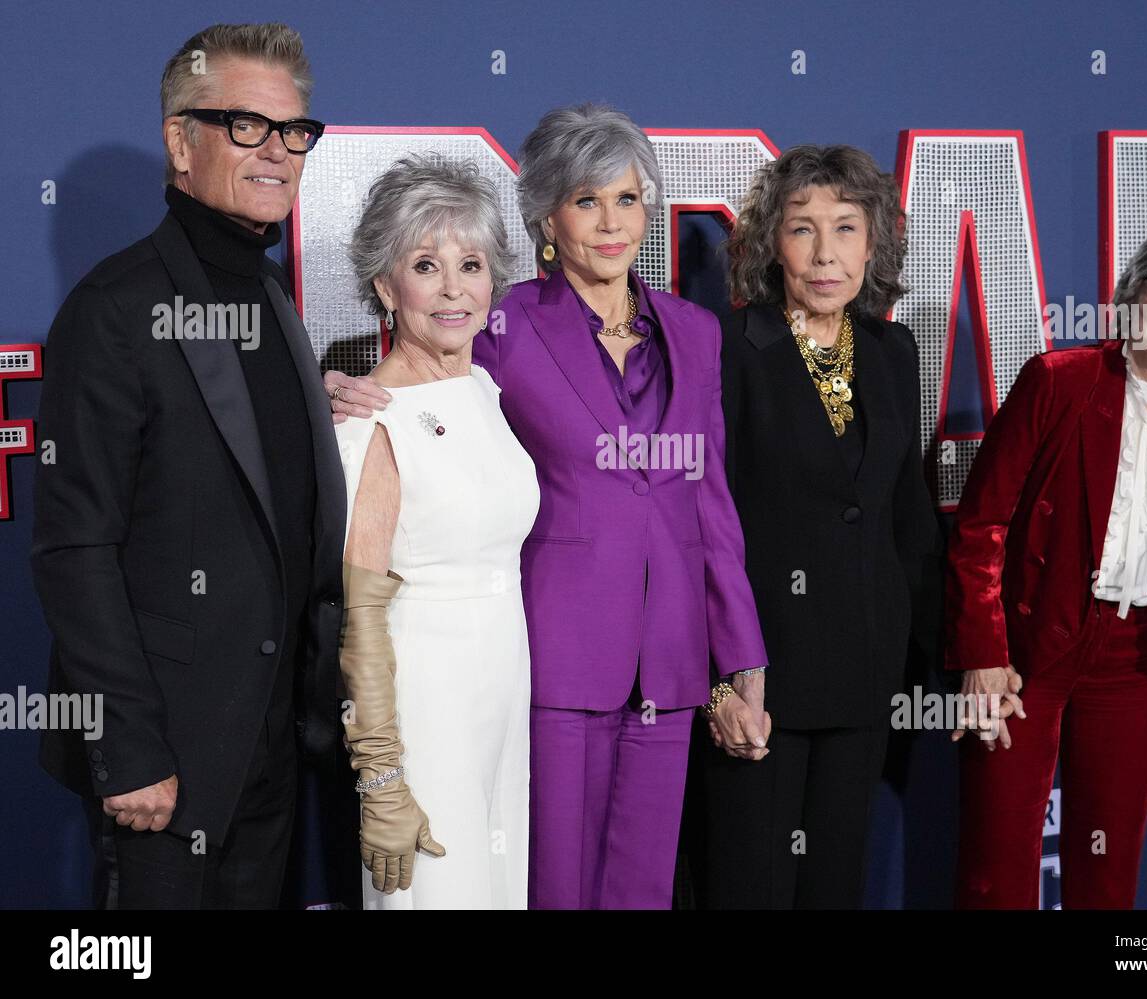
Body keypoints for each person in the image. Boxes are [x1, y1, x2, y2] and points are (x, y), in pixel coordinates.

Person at [325, 104, 769, 908]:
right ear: (547, 220)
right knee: (547, 885)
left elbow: (712, 505)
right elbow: (420, 363)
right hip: (552, 660)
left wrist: (740, 656)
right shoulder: (504, 322)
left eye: (628, 200)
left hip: (671, 661)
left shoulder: (696, 332)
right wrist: (330, 385)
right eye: (586, 201)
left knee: (641, 890)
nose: (610, 223)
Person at [32, 23, 344, 908]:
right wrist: (126, 750)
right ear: (180, 140)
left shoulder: (271, 295)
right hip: (165, 759)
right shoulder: (117, 307)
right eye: (247, 126)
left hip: (275, 743)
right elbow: (72, 547)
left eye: (293, 131)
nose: (278, 152)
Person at [946, 213, 1147, 908]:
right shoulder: (1060, 379)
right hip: (1030, 649)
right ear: (1133, 289)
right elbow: (982, 523)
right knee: (995, 868)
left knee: (1108, 868)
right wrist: (983, 650)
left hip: (1140, 657)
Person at [690, 145, 942, 908]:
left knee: (836, 886)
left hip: (868, 681)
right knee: (750, 887)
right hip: (760, 682)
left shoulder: (893, 350)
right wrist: (716, 680)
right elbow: (702, 523)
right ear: (772, 244)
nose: (826, 253)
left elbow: (910, 521)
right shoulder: (728, 349)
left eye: (846, 228)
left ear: (875, 242)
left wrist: (949, 668)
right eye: (803, 229)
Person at [334, 154, 537, 909]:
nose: (454, 289)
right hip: (425, 705)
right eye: (426, 264)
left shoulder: (482, 388)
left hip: (502, 694)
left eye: (471, 263)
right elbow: (361, 622)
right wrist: (383, 778)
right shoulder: (371, 418)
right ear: (387, 287)